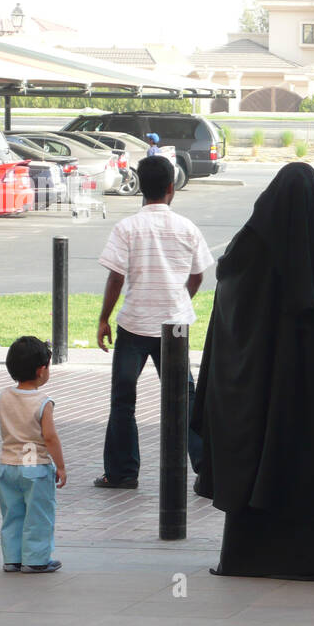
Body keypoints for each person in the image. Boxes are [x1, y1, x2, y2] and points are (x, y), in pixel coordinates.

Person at [192, 162, 314, 580]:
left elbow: (230, 317)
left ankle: (249, 558)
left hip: (257, 396)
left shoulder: (246, 252)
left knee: (258, 464)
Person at [94, 156, 212, 489]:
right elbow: (198, 273)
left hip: (133, 326)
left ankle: (121, 472)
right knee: (186, 398)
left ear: (140, 188)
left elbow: (116, 277)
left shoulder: (127, 228)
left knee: (123, 399)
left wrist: (104, 318)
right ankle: (204, 466)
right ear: (171, 188)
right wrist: (181, 299)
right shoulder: (187, 227)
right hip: (174, 327)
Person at [0, 337, 66, 574]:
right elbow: (50, 438)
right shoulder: (43, 402)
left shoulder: (4, 396)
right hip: (35, 467)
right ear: (41, 370)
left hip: (8, 467)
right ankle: (36, 560)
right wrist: (61, 467)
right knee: (38, 515)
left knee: (12, 515)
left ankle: (12, 559)